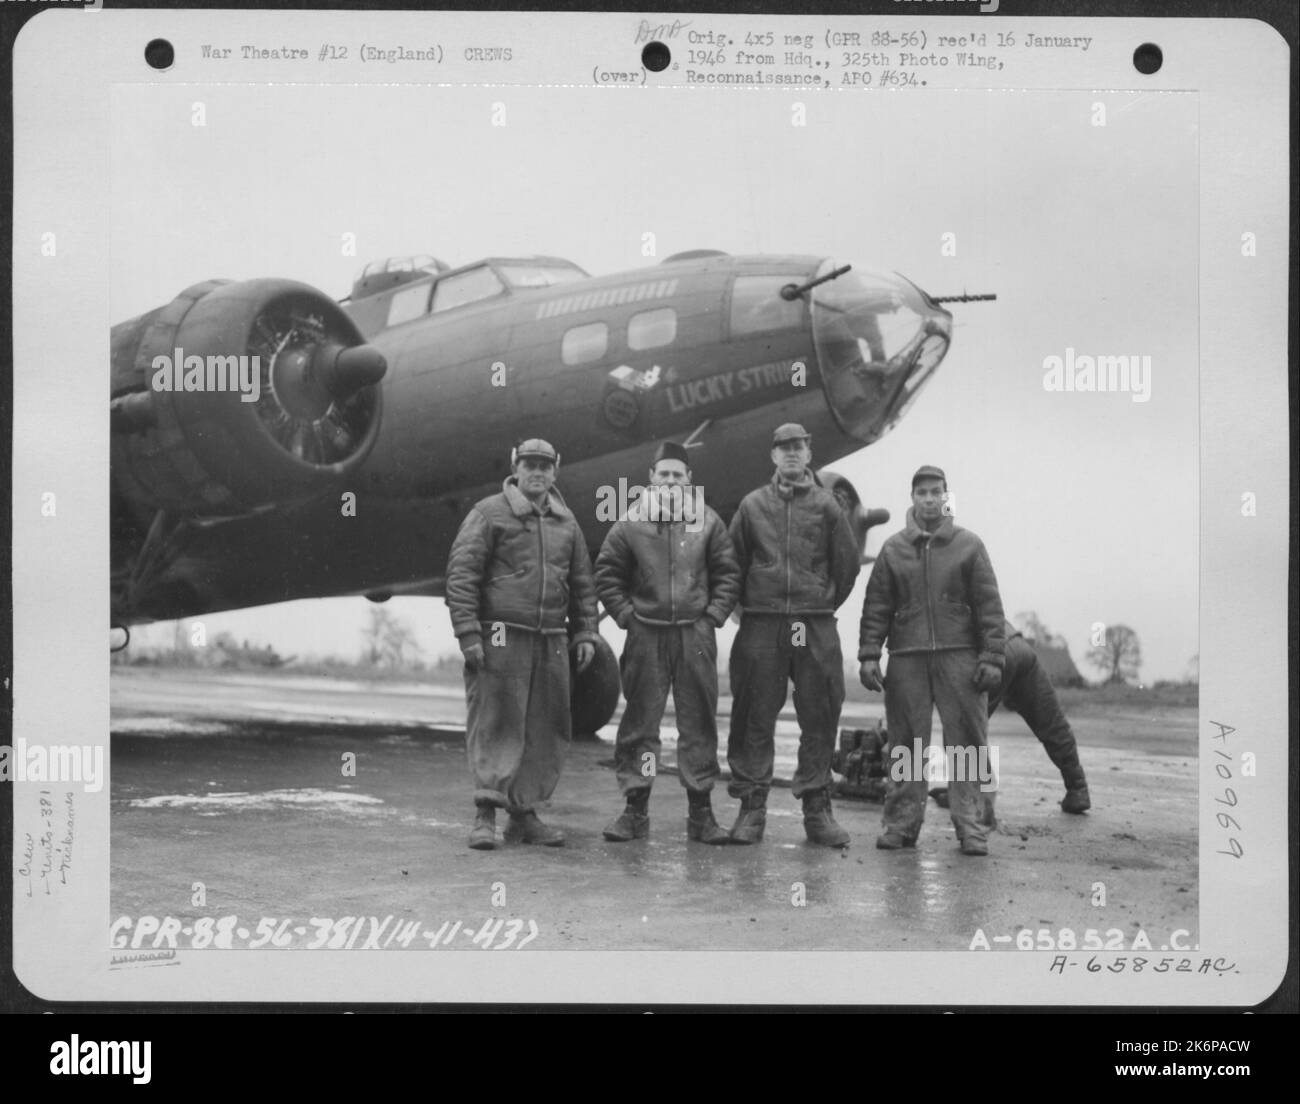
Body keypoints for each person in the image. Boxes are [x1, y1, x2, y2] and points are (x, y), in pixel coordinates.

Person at [445, 439, 601, 851]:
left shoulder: (567, 522)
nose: (537, 473)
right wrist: (469, 634)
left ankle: (524, 816)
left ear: (556, 471)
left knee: (542, 727)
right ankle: (484, 815)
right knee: (497, 722)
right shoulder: (488, 512)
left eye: (545, 466)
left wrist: (586, 632)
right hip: (501, 633)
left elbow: (583, 583)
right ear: (516, 466)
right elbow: (462, 575)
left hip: (550, 638)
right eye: (530, 465)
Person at [594, 441, 741, 844]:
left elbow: (728, 573)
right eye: (664, 474)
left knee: (698, 723)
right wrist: (627, 616)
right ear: (652, 479)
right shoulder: (630, 523)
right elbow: (607, 573)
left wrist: (712, 617)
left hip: (695, 634)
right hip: (647, 633)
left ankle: (701, 814)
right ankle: (635, 811)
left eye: (679, 474)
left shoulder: (708, 522)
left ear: (689, 480)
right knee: (641, 724)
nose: (671, 480)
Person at [858, 465, 1005, 856]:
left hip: (960, 657)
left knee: (968, 745)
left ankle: (972, 826)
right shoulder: (893, 549)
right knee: (905, 746)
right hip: (906, 657)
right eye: (921, 492)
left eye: (935, 491)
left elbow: (989, 606)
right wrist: (870, 654)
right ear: (912, 498)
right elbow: (876, 606)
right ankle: (901, 825)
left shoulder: (969, 545)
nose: (928, 498)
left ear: (946, 496)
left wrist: (993, 657)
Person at [726, 423, 861, 846]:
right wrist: (747, 608)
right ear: (772, 456)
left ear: (808, 453)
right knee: (754, 715)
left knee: (819, 712)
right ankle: (751, 809)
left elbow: (846, 566)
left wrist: (819, 604)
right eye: (783, 447)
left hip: (810, 625)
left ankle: (817, 810)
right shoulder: (751, 506)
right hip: (762, 626)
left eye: (798, 446)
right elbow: (733, 564)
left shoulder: (827, 507)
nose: (790, 454)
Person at [929, 620, 1092, 823]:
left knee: (962, 731)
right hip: (1019, 647)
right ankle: (1078, 789)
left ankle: (973, 794)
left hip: (991, 655)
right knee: (1051, 722)